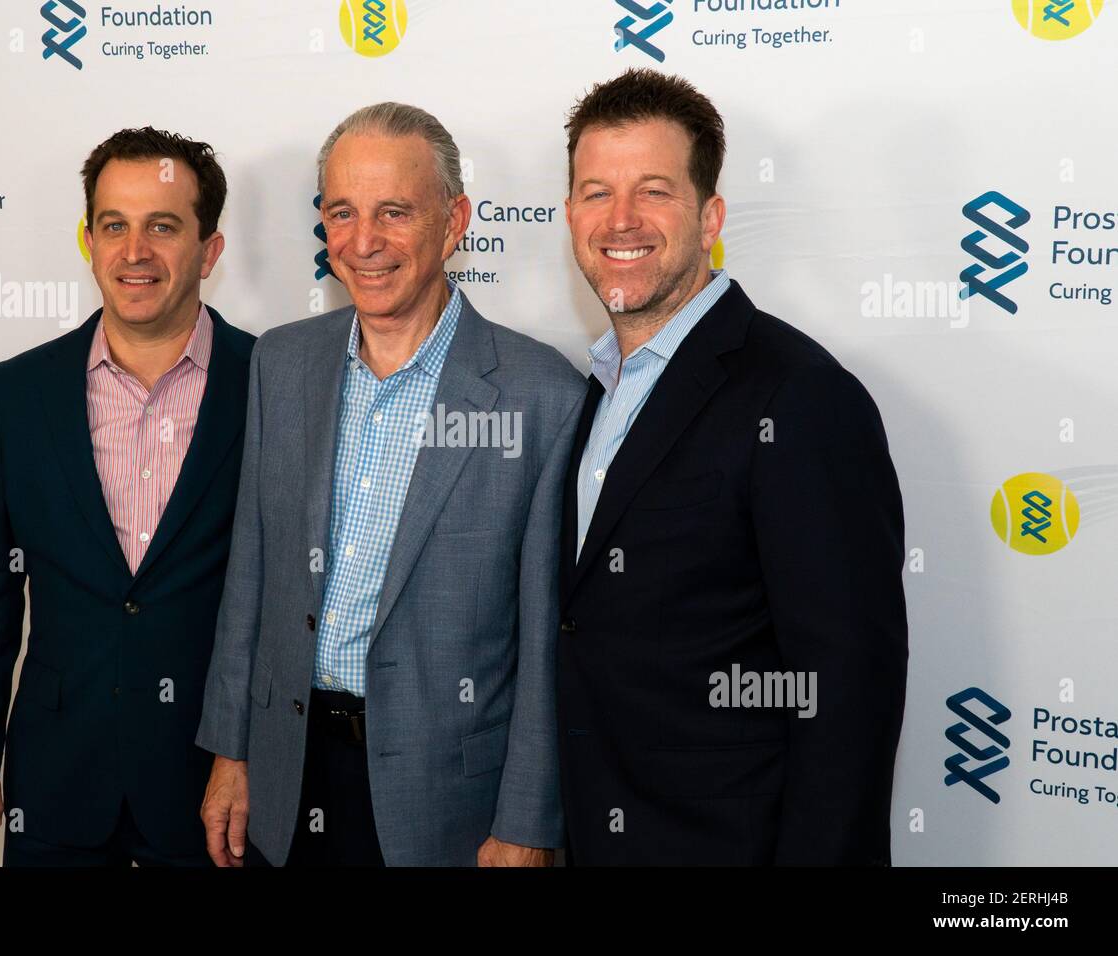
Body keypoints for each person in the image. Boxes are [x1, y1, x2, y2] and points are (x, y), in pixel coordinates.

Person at [197, 102, 586, 867]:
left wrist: (528, 822)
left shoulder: (541, 396)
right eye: (341, 212)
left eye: (394, 212)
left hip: (449, 805)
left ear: (453, 222)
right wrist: (232, 749)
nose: (363, 242)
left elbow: (548, 644)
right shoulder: (282, 364)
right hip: (288, 774)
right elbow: (253, 572)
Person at [557, 69, 909, 865]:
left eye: (654, 191)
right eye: (595, 192)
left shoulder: (802, 395)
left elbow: (846, 688)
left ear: (710, 216)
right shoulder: (590, 389)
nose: (620, 220)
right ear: (570, 213)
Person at [0, 127, 255, 866]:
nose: (134, 252)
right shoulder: (17, 393)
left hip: (215, 790)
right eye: (115, 225)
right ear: (88, 239)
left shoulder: (270, 383)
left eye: (163, 227)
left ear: (210, 250)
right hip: (56, 783)